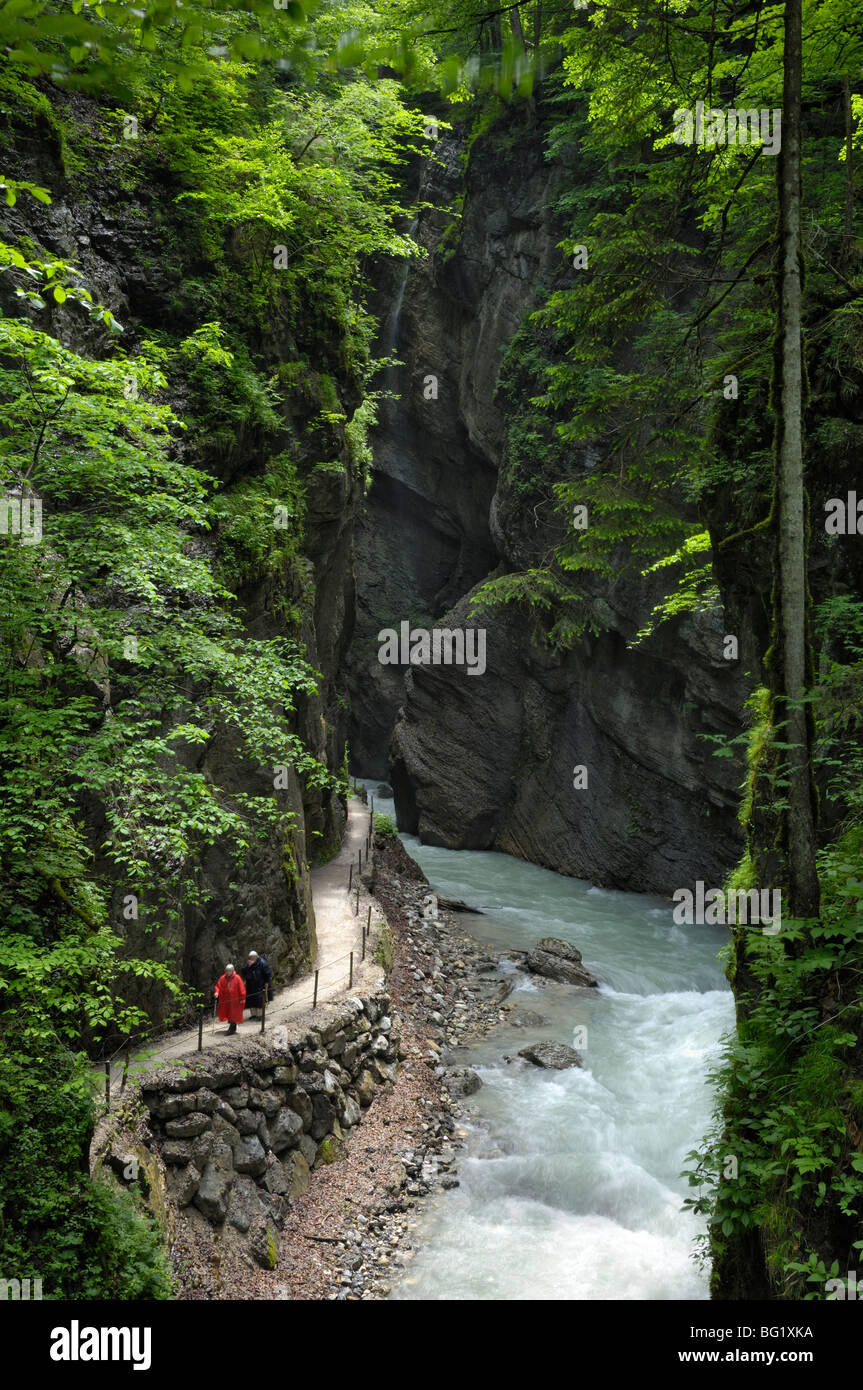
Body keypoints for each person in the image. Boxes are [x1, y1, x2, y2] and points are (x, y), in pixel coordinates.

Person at [214, 963, 245, 1035]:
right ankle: (232, 1027)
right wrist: (217, 992)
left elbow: (242, 989)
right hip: (226, 1000)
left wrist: (242, 998)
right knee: (228, 1014)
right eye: (227, 970)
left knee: (234, 1014)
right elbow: (218, 986)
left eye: (229, 970)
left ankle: (231, 1029)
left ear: (233, 970)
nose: (228, 972)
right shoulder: (222, 978)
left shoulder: (237, 978)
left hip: (235, 1000)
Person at [241, 950, 273, 1020]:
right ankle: (254, 1015)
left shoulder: (262, 963)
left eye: (252, 958)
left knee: (260, 1000)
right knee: (251, 1000)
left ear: (256, 957)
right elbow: (243, 971)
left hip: (260, 985)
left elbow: (268, 974)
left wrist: (267, 982)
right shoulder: (248, 963)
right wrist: (248, 966)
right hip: (250, 985)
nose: (251, 959)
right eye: (250, 958)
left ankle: (260, 1016)